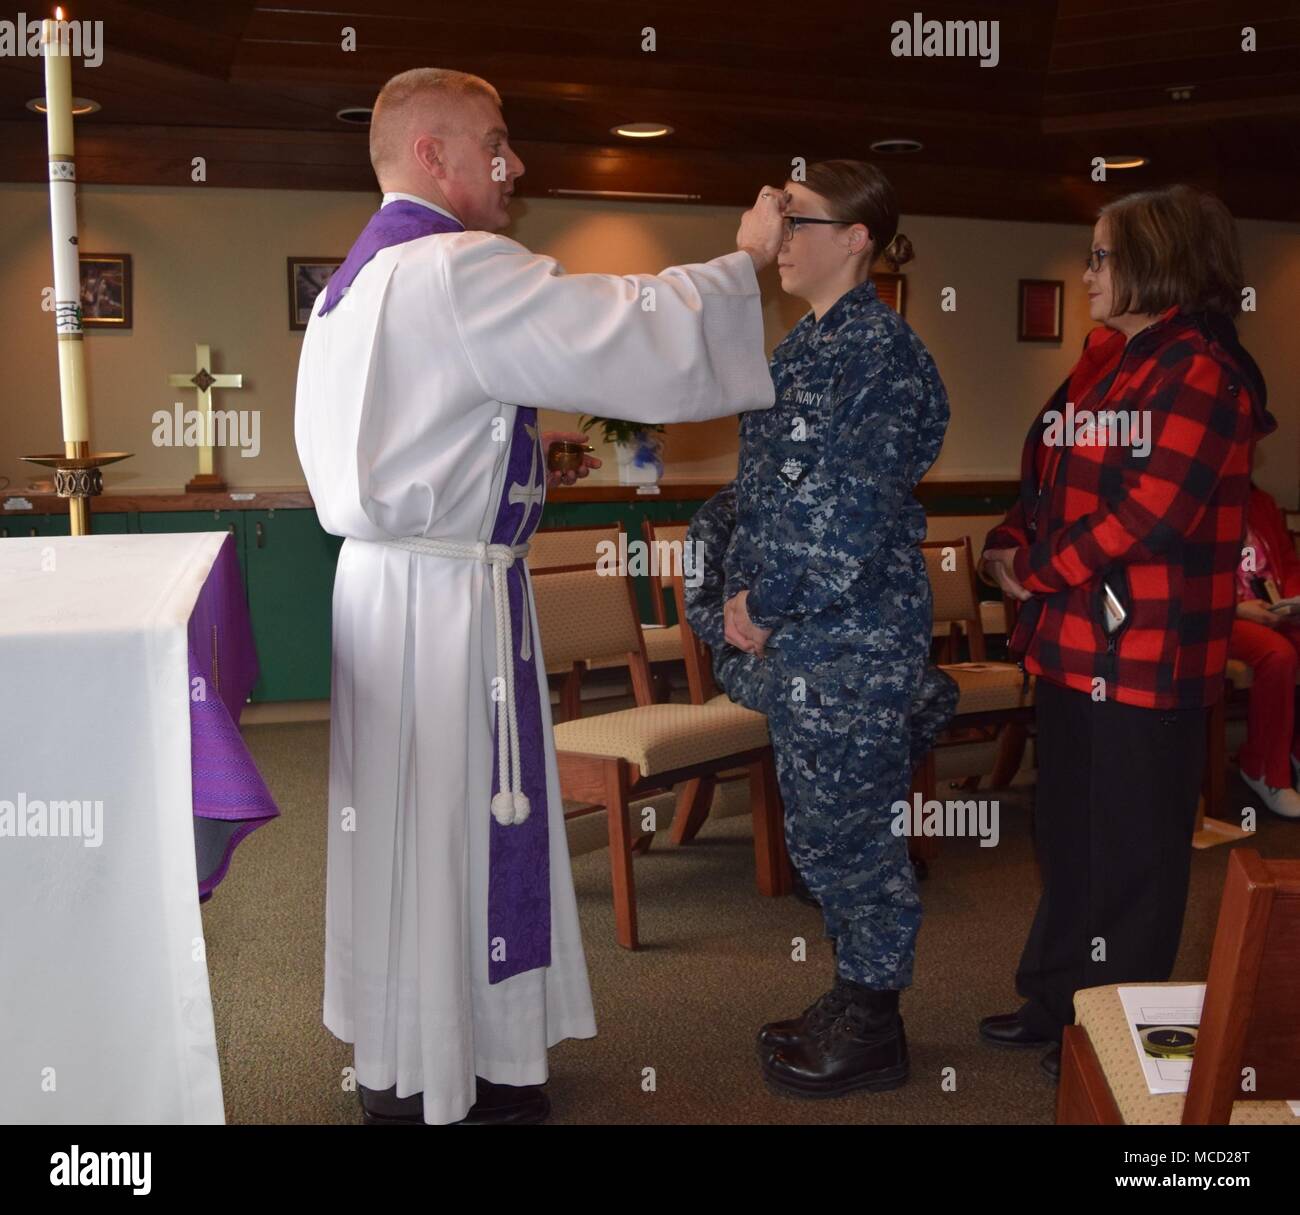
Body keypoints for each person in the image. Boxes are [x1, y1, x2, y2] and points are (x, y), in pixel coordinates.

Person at [294, 67, 787, 1126]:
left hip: (385, 592)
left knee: (401, 826)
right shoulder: (454, 268)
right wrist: (744, 265)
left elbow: (421, 419)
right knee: (460, 824)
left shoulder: (348, 286)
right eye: (495, 141)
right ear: (433, 154)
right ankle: (458, 1077)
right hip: (445, 612)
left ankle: (408, 1053)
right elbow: (625, 327)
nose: (514, 165)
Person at [979, 185, 1273, 1081]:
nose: (1088, 271)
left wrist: (1037, 568)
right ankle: (1058, 1001)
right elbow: (1056, 481)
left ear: (1157, 260)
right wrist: (1008, 538)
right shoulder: (1112, 362)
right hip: (1073, 649)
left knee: (1135, 863)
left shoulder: (1204, 370)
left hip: (1149, 660)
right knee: (1067, 837)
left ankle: (1116, 1038)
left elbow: (1151, 513)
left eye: (1102, 255)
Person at [692, 160, 950, 1098]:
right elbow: (769, 494)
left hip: (854, 638)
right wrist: (727, 571)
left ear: (858, 239)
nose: (780, 234)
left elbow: (849, 518)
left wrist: (760, 605)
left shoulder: (878, 355)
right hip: (811, 637)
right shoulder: (805, 345)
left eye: (798, 218)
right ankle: (854, 991)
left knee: (854, 836)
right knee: (824, 829)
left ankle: (875, 1029)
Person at [1229, 478, 1300, 818]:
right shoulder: (1196, 501)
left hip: (1272, 607)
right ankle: (1264, 770)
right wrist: (1237, 607)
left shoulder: (1262, 502)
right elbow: (1187, 576)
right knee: (1278, 654)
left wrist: (1292, 602)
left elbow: (1287, 561)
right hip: (1226, 616)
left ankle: (1295, 752)